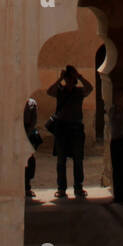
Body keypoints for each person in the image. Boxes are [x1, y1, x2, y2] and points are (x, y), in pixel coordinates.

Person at [46, 64, 92, 199]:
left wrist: (79, 76)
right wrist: (59, 79)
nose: (70, 81)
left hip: (76, 129)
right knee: (61, 160)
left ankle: (78, 187)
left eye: (72, 79)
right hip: (62, 129)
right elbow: (49, 91)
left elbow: (90, 88)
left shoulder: (79, 92)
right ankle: (61, 188)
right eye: (68, 78)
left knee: (78, 159)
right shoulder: (60, 91)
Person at [24, 97, 40, 199]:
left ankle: (27, 187)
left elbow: (34, 121)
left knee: (29, 161)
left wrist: (26, 134)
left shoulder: (32, 103)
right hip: (19, 133)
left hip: (27, 134)